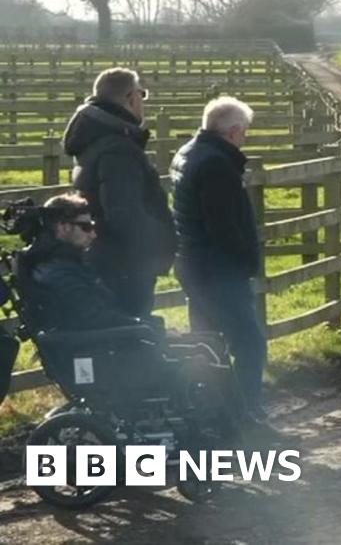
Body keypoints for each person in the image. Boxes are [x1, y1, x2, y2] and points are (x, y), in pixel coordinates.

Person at [171, 96, 268, 424]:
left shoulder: (188, 153)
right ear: (233, 130)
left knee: (207, 344)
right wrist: (246, 261)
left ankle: (211, 416)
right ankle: (246, 417)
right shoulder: (216, 164)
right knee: (250, 344)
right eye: (245, 132)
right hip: (218, 271)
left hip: (193, 264)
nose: (246, 139)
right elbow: (222, 226)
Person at [62, 68, 176, 318]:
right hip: (126, 263)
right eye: (141, 94)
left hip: (107, 256)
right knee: (131, 335)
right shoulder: (118, 149)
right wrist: (163, 239)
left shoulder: (97, 140)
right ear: (131, 97)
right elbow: (124, 213)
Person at [15, 193, 157, 334]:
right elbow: (94, 318)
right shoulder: (57, 270)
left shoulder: (61, 262)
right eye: (86, 227)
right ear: (63, 227)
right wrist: (149, 329)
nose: (93, 234)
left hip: (104, 339)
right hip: (101, 346)